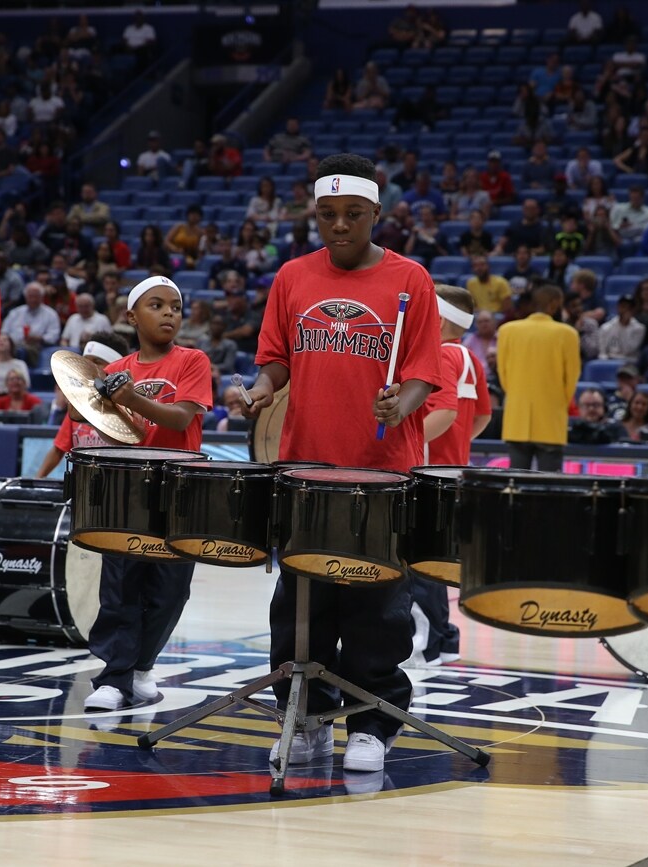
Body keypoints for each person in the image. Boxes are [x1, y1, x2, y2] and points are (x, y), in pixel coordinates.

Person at [245, 153, 441, 774]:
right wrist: (257, 390)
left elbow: (424, 374)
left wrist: (400, 399)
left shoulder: (413, 281)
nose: (339, 226)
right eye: (327, 215)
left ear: (377, 214)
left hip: (383, 473)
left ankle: (372, 725)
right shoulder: (292, 278)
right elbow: (276, 360)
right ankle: (302, 719)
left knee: (376, 612)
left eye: (353, 215)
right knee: (300, 607)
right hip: (305, 470)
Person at [83, 276, 212, 711]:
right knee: (120, 586)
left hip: (181, 490)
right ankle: (114, 677)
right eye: (157, 306)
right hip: (129, 489)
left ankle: (141, 665)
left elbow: (179, 420)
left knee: (170, 590)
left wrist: (132, 400)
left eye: (175, 306)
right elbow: (111, 433)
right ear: (132, 316)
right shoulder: (116, 371)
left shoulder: (193, 361)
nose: (170, 313)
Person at [409, 284, 490, 668]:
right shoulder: (471, 357)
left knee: (417, 559)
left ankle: (427, 642)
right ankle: (444, 639)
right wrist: (456, 447)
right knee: (433, 560)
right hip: (454, 469)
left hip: (428, 472)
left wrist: (409, 445)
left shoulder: (439, 354)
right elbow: (483, 416)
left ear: (437, 319)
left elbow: (445, 412)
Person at [496, 284, 580, 470]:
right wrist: (558, 404)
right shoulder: (568, 334)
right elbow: (571, 379)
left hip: (516, 419)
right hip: (551, 419)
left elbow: (503, 375)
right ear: (554, 304)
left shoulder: (507, 331)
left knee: (515, 484)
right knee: (548, 489)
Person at [35, 336, 128, 478]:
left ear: (115, 367)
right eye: (85, 362)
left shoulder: (127, 408)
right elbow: (58, 449)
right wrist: (37, 479)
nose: (88, 367)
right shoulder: (78, 406)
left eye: (97, 362)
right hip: (82, 486)